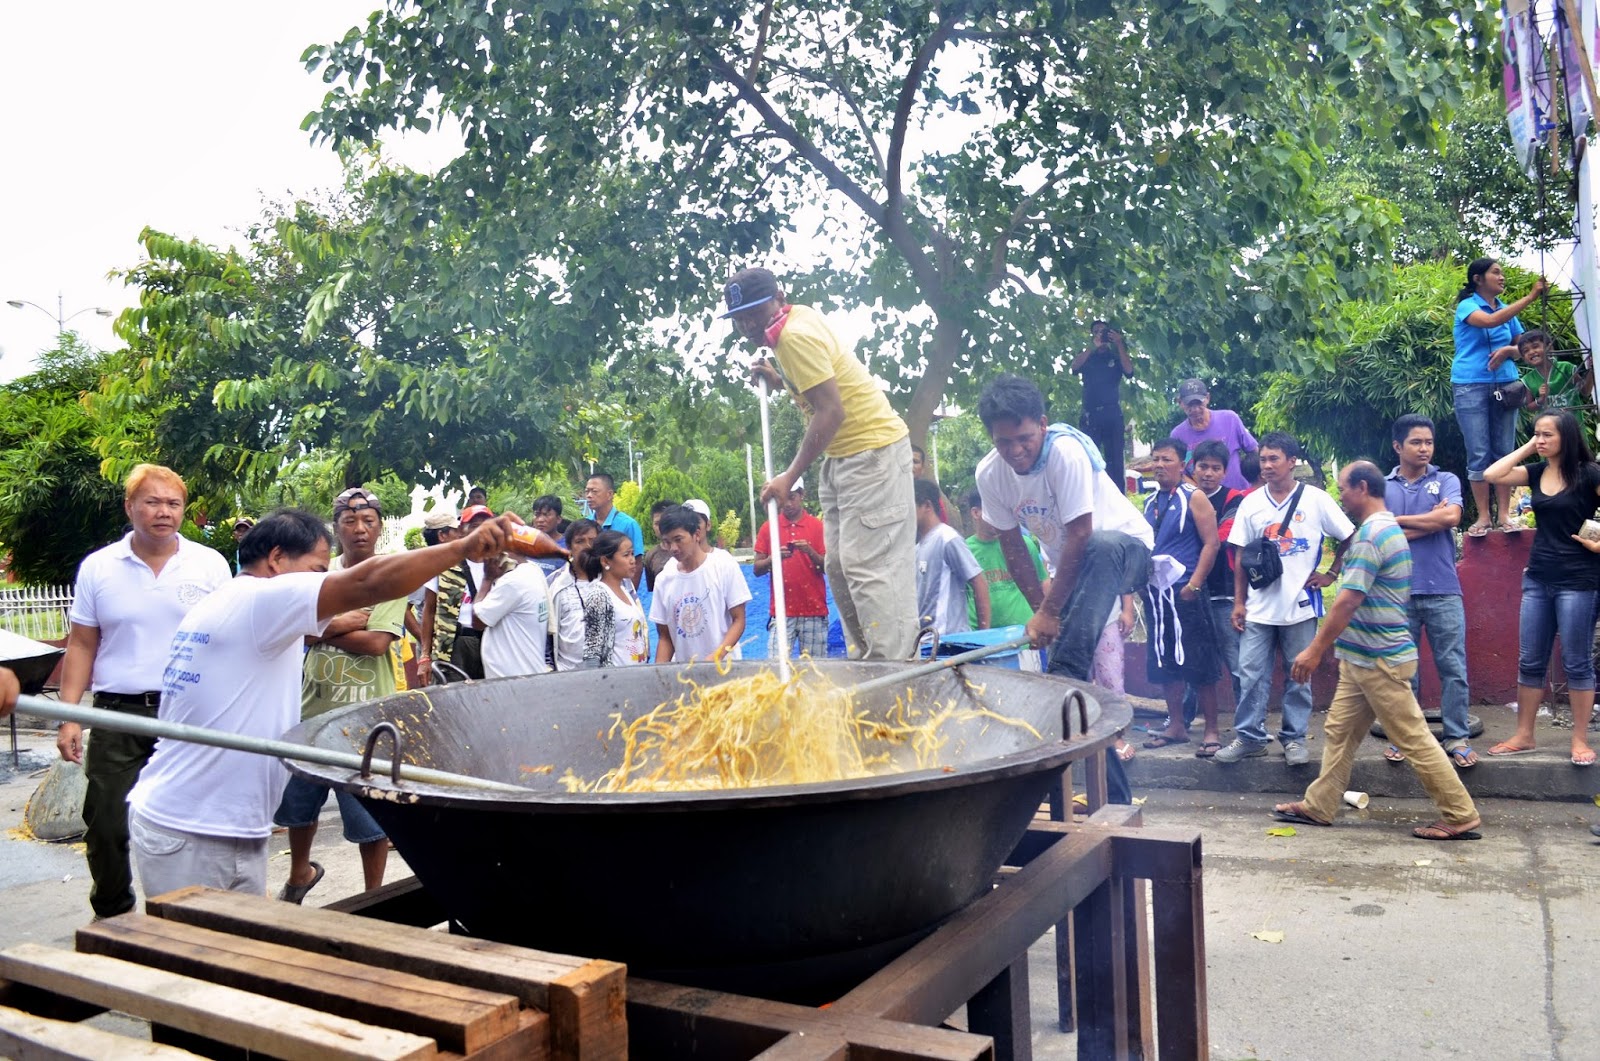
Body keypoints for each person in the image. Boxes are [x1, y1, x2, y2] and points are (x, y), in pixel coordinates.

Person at [126, 508, 514, 898]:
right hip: (194, 830)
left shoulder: (235, 602)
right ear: (276, 560)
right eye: (315, 572)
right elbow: (368, 582)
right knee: (196, 954)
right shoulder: (261, 599)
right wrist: (461, 548)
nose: (323, 584)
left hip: (218, 825)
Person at [53, 463, 231, 920]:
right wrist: (70, 715)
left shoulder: (208, 564)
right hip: (118, 714)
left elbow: (229, 640)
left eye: (173, 503)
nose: (163, 512)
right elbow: (82, 645)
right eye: (152, 501)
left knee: (194, 821)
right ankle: (112, 915)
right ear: (130, 506)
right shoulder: (99, 568)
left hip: (189, 712)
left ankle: (192, 913)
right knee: (107, 822)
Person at [1270, 462, 1483, 840]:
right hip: (1362, 656)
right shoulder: (1385, 528)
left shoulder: (1371, 535)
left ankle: (1460, 814)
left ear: (1363, 488)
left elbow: (1347, 601)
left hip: (1380, 659)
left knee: (1412, 738)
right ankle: (1319, 805)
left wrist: (1314, 649)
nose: (1340, 496)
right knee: (1339, 731)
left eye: (1343, 489)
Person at [974, 374, 1154, 804]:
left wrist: (1051, 611)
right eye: (1004, 443)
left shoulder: (1066, 453)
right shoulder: (990, 474)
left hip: (1126, 553)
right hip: (1079, 574)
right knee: (1069, 690)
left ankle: (1063, 678)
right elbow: (1012, 546)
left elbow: (1080, 535)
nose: (1016, 451)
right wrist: (1042, 610)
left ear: (1042, 422)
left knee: (1101, 545)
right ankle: (1111, 800)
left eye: (1024, 438)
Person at [723, 267, 917, 660]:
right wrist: (780, 382)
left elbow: (831, 411)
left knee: (869, 570)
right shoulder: (792, 323)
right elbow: (821, 384)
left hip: (871, 453)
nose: (747, 325)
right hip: (843, 458)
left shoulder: (793, 337)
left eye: (754, 314)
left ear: (777, 297)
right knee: (841, 568)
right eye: (739, 318)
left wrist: (789, 476)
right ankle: (867, 662)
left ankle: (894, 670)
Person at [276, 487, 405, 904]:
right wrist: (346, 621)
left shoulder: (391, 577)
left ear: (379, 526)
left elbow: (378, 644)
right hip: (311, 709)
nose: (360, 529)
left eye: (368, 521)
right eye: (350, 522)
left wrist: (325, 624)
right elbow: (298, 626)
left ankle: (375, 897)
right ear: (337, 528)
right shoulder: (321, 571)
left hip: (367, 717)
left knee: (371, 817)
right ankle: (300, 874)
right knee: (299, 806)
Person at [1215, 432, 1355, 766]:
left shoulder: (1316, 499)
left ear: (1292, 462)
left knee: (1299, 676)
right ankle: (1249, 737)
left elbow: (1350, 534)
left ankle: (1294, 739)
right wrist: (1239, 602)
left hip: (1301, 606)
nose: (1266, 466)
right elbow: (1239, 555)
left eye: (1274, 459)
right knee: (1249, 674)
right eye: (1263, 459)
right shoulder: (1251, 503)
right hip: (1259, 608)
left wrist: (1331, 574)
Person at [1484, 409, 1600, 763]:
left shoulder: (1588, 473)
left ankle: (1579, 740)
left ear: (1567, 435)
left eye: (1547, 434)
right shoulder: (1535, 471)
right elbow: (1492, 474)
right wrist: (1527, 448)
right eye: (1537, 434)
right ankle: (1524, 735)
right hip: (1538, 578)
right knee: (1530, 660)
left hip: (1579, 581)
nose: (1540, 440)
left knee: (1576, 661)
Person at [1385, 414, 1475, 768]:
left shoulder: (1447, 479)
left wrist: (1399, 522)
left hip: (1443, 589)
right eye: (1416, 442)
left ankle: (1457, 737)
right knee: (1403, 671)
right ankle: (1403, 739)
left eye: (1429, 442)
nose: (1424, 449)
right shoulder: (1383, 485)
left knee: (1453, 666)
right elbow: (1377, 532)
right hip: (1398, 591)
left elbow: (1451, 519)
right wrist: (1430, 522)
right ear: (1398, 446)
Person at [1137, 439, 1226, 756]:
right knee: (1164, 659)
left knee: (1200, 660)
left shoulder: (1195, 497)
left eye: (1167, 459)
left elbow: (1211, 543)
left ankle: (1212, 730)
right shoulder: (1150, 502)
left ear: (1181, 463)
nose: (1159, 465)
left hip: (1187, 591)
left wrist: (1196, 583)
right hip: (1157, 595)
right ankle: (1176, 725)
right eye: (1156, 459)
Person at [1452, 256, 1546, 535]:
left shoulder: (1508, 311)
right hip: (1470, 385)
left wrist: (1508, 351)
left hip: (1506, 385)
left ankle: (1504, 515)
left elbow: (1525, 349)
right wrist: (1531, 296)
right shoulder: (1467, 306)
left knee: (1504, 451)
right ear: (1478, 279)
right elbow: (1491, 321)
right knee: (1479, 452)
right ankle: (1483, 517)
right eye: (1496, 273)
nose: (1502, 277)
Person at [652, 507, 751, 663]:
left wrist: (717, 656)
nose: (673, 548)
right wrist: (658, 674)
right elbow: (665, 637)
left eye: (678, 539)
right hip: (685, 675)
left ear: (696, 534)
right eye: (667, 542)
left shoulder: (723, 565)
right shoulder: (664, 579)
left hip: (724, 670)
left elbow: (738, 619)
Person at [1191, 439, 1246, 714]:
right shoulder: (1182, 496)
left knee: (1236, 662)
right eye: (1203, 466)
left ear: (1224, 472)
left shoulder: (1234, 499)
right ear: (1193, 467)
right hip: (1190, 594)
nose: (1208, 473)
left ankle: (1249, 725)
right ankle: (1183, 721)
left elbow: (1223, 539)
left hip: (1224, 593)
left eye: (1215, 468)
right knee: (1191, 660)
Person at [753, 478, 829, 658]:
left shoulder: (818, 526)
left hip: (814, 611)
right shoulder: (769, 527)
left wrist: (809, 551)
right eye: (783, 499)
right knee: (775, 666)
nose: (787, 504)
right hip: (781, 612)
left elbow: (828, 567)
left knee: (814, 671)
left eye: (792, 497)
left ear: (802, 495)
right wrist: (773, 559)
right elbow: (756, 569)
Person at [963, 488, 1047, 630]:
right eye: (992, 511)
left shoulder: (1022, 544)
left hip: (1025, 636)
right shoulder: (965, 551)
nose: (999, 516)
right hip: (983, 639)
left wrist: (1046, 619)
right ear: (976, 513)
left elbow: (1043, 581)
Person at [913, 478, 989, 635]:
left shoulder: (947, 538)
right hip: (926, 643)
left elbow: (978, 581)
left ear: (927, 505)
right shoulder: (918, 548)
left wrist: (983, 636)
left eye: (910, 507)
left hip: (949, 641)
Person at [1072, 320, 1134, 491]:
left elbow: (1129, 371)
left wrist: (1119, 343)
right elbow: (1074, 367)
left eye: (1104, 331)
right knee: (1089, 458)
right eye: (1097, 331)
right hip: (1090, 415)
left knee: (1115, 461)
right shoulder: (1087, 356)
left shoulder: (1115, 357)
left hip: (1112, 414)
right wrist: (1092, 347)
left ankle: (1118, 498)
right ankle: (1090, 497)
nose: (1101, 334)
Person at [576, 529, 649, 667]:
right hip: (616, 680)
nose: (633, 560)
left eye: (632, 554)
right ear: (605, 561)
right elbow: (592, 652)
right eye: (626, 555)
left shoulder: (625, 589)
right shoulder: (599, 595)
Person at [1170, 379, 1258, 492]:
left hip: (1239, 494)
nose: (1195, 409)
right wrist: (1198, 492)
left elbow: (1254, 451)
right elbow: (1178, 472)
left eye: (1199, 403)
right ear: (1180, 403)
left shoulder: (1230, 419)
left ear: (1207, 398)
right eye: (1190, 405)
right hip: (1204, 500)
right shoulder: (1177, 435)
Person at [445, 504, 496, 679]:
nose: (481, 531)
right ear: (462, 531)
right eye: (474, 526)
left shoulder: (502, 564)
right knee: (456, 693)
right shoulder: (446, 565)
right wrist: (425, 656)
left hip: (492, 639)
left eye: (486, 526)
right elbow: (430, 610)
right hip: (458, 641)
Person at [417, 508, 463, 685]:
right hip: (440, 646)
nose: (460, 534)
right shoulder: (428, 566)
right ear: (442, 535)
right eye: (455, 530)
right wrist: (425, 652)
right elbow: (427, 611)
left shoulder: (457, 562)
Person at [549, 519, 601, 670]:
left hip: (611, 676)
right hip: (568, 677)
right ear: (569, 547)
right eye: (580, 541)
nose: (587, 546)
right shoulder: (554, 584)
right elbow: (546, 637)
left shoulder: (616, 580)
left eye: (593, 541)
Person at [582, 473, 644, 584]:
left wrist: (630, 595)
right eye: (587, 491)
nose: (589, 496)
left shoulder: (628, 524)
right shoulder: (586, 524)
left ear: (610, 494)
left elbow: (637, 563)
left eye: (594, 491)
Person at [912, 444, 964, 534]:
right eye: (907, 462)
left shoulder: (929, 493)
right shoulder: (893, 492)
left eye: (915, 462)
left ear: (923, 468)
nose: (911, 466)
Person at [528, 495, 569, 580]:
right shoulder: (525, 543)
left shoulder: (568, 547)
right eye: (537, 514)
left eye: (546, 515)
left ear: (558, 519)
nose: (540, 520)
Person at [642, 499, 678, 592]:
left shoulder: (687, 550)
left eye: (665, 521)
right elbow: (653, 590)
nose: (661, 527)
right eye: (657, 523)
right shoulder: (650, 556)